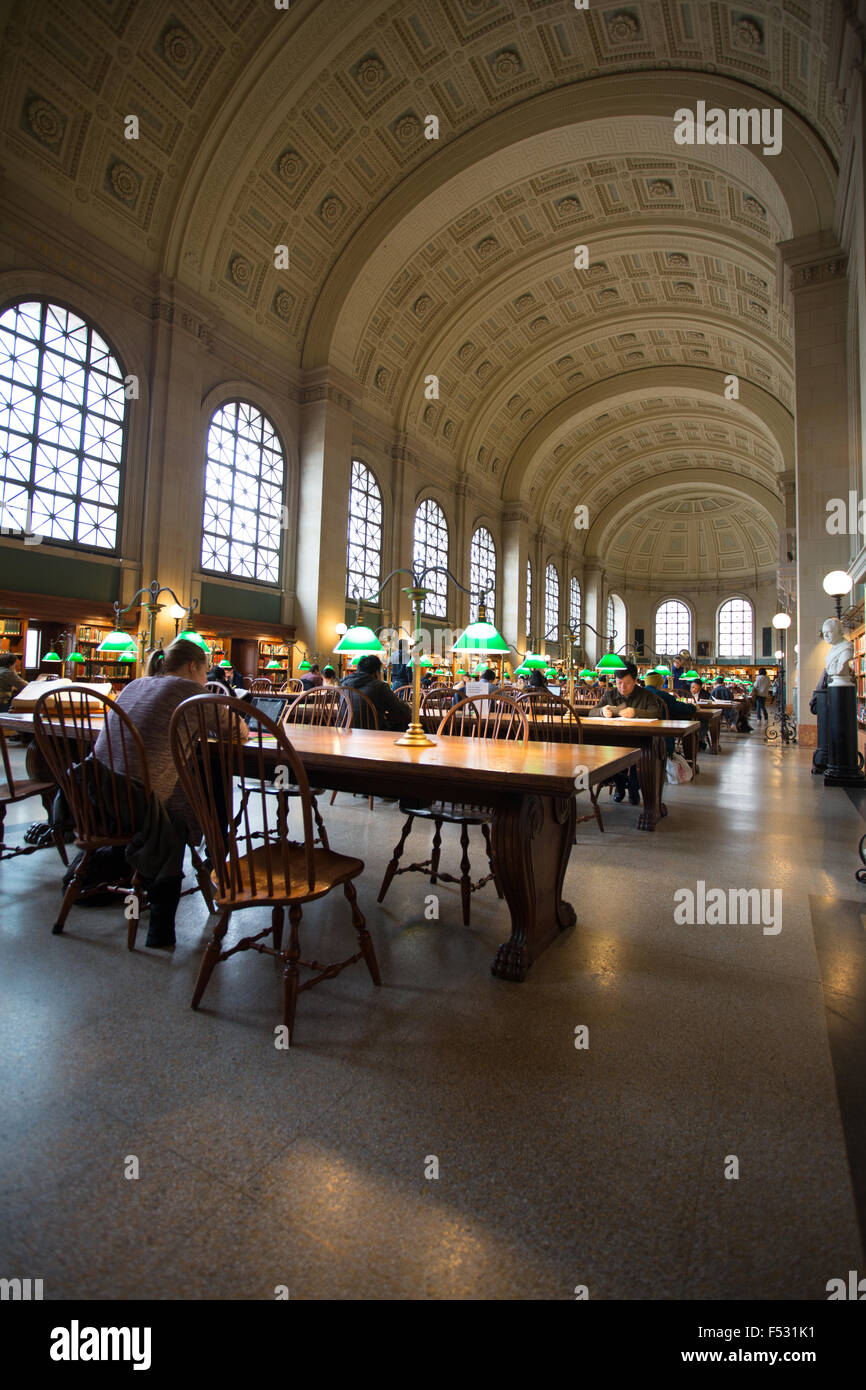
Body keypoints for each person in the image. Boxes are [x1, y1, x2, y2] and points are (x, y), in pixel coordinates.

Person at [92, 638, 249, 949]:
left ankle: (102, 873)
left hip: (95, 796)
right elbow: (237, 731)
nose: (206, 680)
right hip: (136, 805)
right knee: (178, 815)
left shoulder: (137, 683)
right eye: (206, 672)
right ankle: (161, 928)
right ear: (193, 666)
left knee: (181, 795)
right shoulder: (190, 692)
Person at [591, 661, 666, 803]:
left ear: (635, 681)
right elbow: (592, 711)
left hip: (640, 740)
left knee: (641, 757)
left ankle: (633, 788)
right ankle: (620, 784)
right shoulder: (610, 695)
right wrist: (602, 711)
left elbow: (657, 713)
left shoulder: (646, 695)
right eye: (619, 683)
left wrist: (636, 712)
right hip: (614, 740)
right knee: (602, 757)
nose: (622, 687)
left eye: (627, 683)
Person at [340, 654, 411, 731]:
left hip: (345, 733)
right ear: (377, 672)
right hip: (372, 734)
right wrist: (408, 706)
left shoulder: (344, 685)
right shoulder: (379, 686)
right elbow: (402, 711)